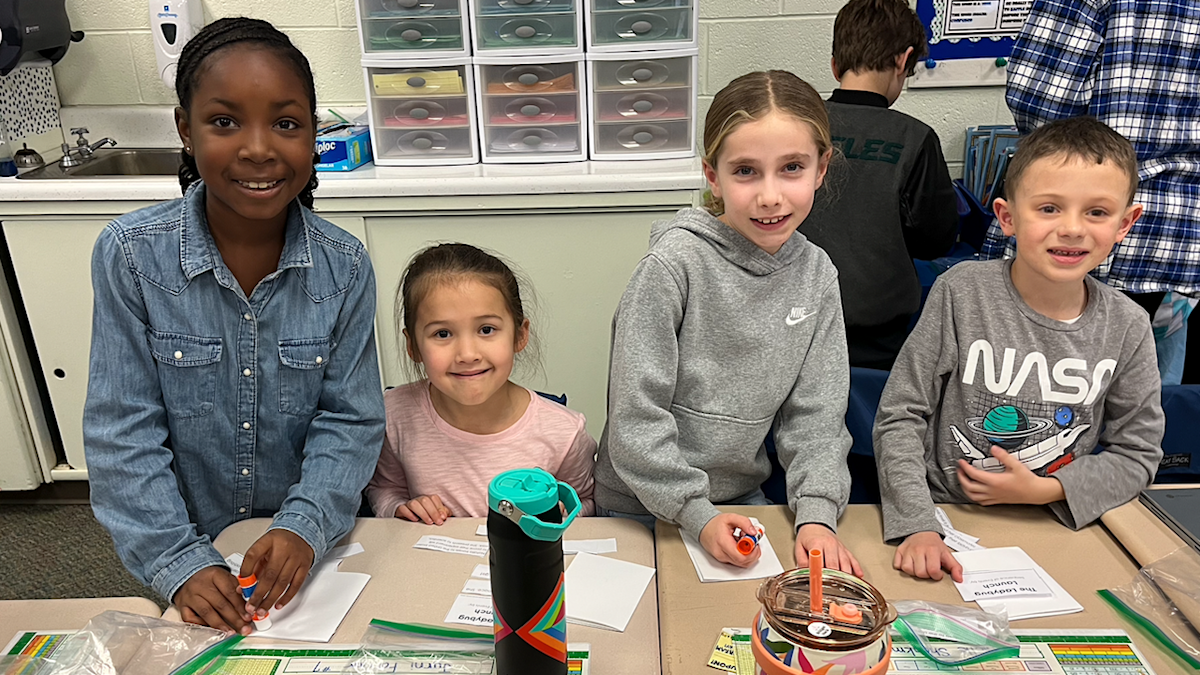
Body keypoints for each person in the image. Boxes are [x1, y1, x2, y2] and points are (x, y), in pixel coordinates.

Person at [84, 17, 386, 635]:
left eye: (286, 122)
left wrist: (304, 524)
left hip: (314, 557)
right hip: (186, 551)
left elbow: (350, 420)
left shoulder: (346, 266)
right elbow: (123, 433)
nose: (258, 148)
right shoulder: (131, 255)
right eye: (225, 121)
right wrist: (178, 560)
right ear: (185, 131)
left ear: (311, 132)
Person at [875, 117, 1165, 583]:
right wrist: (917, 524)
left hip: (1058, 525)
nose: (1072, 229)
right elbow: (901, 414)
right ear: (1008, 218)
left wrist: (1046, 489)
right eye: (1049, 208)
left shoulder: (1128, 326)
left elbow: (1138, 455)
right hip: (943, 521)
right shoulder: (961, 294)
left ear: (1125, 223)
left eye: (1096, 212)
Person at [595, 70, 861, 575]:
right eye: (745, 171)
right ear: (713, 176)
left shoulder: (818, 274)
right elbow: (635, 418)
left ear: (821, 168)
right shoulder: (672, 267)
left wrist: (817, 516)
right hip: (640, 505)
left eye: (791, 168)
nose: (769, 196)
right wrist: (695, 513)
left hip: (742, 501)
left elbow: (817, 417)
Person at [997, 0, 1200, 381]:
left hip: (1086, 254)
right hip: (1180, 247)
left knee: (1033, 386)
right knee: (1151, 401)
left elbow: (1039, 98)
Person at [367, 243, 595, 523]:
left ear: (519, 335)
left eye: (486, 330)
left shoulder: (565, 433)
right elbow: (385, 488)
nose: (467, 355)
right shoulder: (393, 415)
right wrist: (400, 507)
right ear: (412, 345)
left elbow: (585, 502)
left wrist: (560, 513)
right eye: (442, 334)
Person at [800, 0, 958, 370]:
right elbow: (937, 239)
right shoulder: (915, 138)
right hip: (878, 345)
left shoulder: (798, 126)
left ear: (835, 65)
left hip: (794, 329)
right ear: (904, 61)